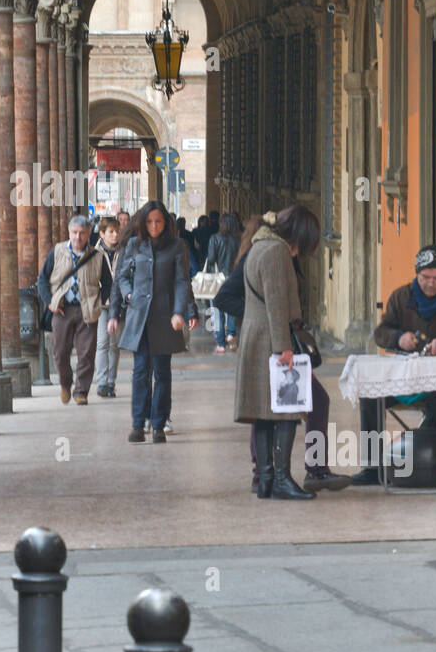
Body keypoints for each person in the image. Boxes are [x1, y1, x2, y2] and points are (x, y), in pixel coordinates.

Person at [352, 244, 436, 485]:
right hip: (402, 381)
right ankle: (372, 466)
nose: (430, 284)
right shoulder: (400, 297)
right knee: (370, 397)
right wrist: (400, 338)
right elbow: (381, 332)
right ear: (417, 274)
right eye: (425, 277)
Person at [234, 205, 322, 500]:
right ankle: (282, 479)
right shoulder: (276, 252)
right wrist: (283, 347)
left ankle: (267, 480)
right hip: (271, 338)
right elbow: (276, 302)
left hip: (256, 336)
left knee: (263, 414)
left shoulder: (260, 245)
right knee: (286, 412)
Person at [108, 200, 198, 444]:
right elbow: (122, 277)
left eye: (158, 221)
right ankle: (138, 423)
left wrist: (180, 311)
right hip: (139, 318)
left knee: (162, 372)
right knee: (140, 372)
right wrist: (125, 299)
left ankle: (159, 424)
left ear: (165, 222)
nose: (154, 226)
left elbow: (182, 282)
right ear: (142, 222)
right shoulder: (134, 245)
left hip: (164, 318)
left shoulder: (177, 247)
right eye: (149, 221)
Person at [37, 215, 104, 405]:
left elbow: (107, 284)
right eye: (74, 233)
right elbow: (42, 279)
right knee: (60, 351)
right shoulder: (57, 251)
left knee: (86, 353)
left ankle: (81, 391)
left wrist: (101, 302)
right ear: (69, 233)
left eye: (82, 233)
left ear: (89, 234)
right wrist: (50, 302)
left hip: (87, 310)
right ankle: (65, 384)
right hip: (62, 310)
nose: (78, 237)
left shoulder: (97, 256)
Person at [94, 216, 124, 398]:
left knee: (115, 345)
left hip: (119, 304)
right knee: (102, 343)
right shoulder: (95, 253)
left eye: (117, 231)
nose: (115, 235)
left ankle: (111, 383)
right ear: (102, 234)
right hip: (103, 304)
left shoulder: (124, 252)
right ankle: (101, 382)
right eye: (111, 232)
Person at [204, 212, 240, 353]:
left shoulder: (215, 238)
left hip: (218, 278)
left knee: (217, 309)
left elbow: (211, 258)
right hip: (234, 277)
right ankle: (231, 333)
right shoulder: (239, 239)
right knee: (231, 308)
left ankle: (220, 343)